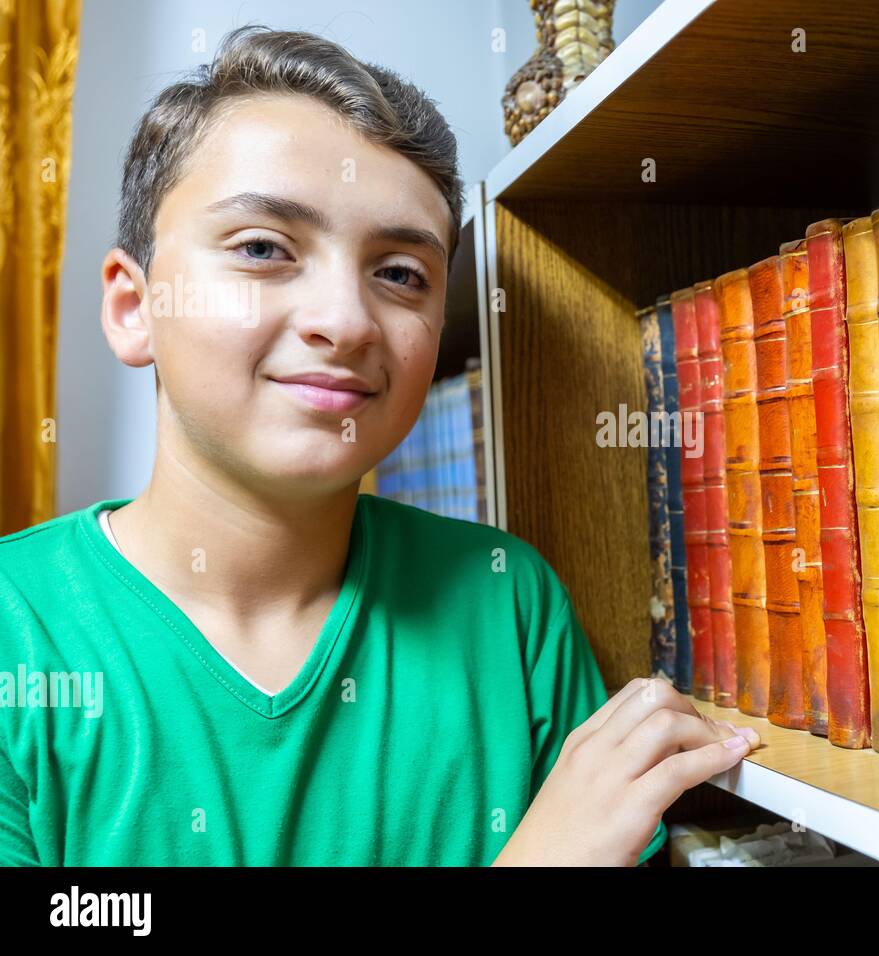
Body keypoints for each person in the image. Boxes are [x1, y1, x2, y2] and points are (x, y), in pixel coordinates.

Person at [0, 25, 758, 867]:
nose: (348, 321)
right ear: (134, 307)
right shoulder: (19, 633)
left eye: (399, 273)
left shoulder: (509, 602)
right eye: (263, 249)